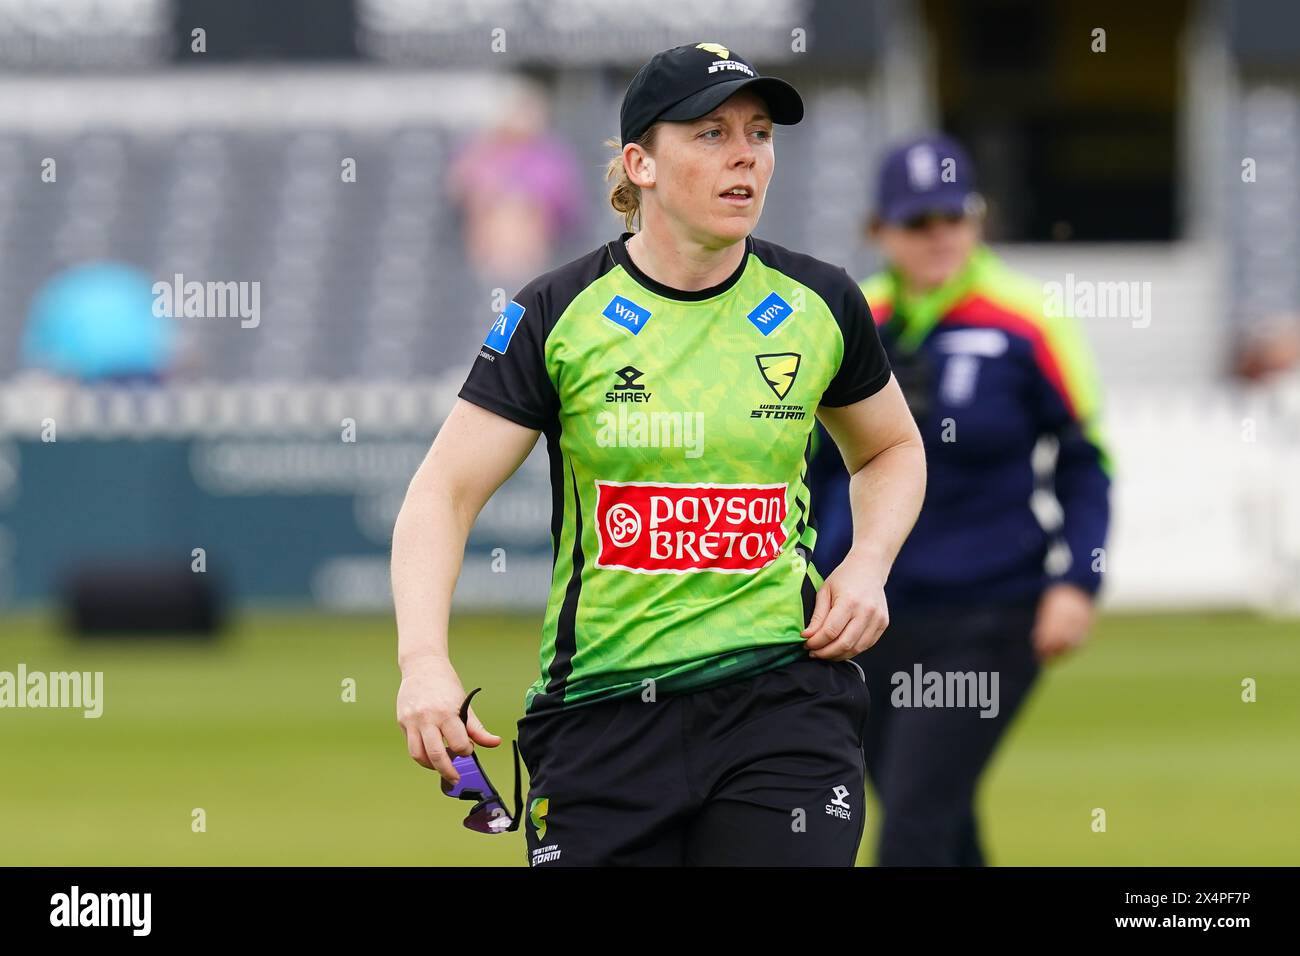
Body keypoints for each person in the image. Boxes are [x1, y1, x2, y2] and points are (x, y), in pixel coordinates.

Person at [392, 42, 926, 866]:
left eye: (759, 133)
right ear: (639, 163)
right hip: (601, 720)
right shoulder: (557, 312)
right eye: (711, 134)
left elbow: (891, 447)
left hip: (782, 702)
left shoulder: (821, 303)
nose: (746, 153)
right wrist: (423, 662)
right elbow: (443, 495)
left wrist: (868, 563)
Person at [807, 134, 1113, 866]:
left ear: (979, 218)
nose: (939, 235)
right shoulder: (851, 320)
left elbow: (1083, 461)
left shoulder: (1024, 320)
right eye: (918, 222)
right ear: (879, 230)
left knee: (913, 822)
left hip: (989, 611)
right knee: (941, 818)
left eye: (954, 216)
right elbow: (809, 470)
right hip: (870, 615)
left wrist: (1078, 581)